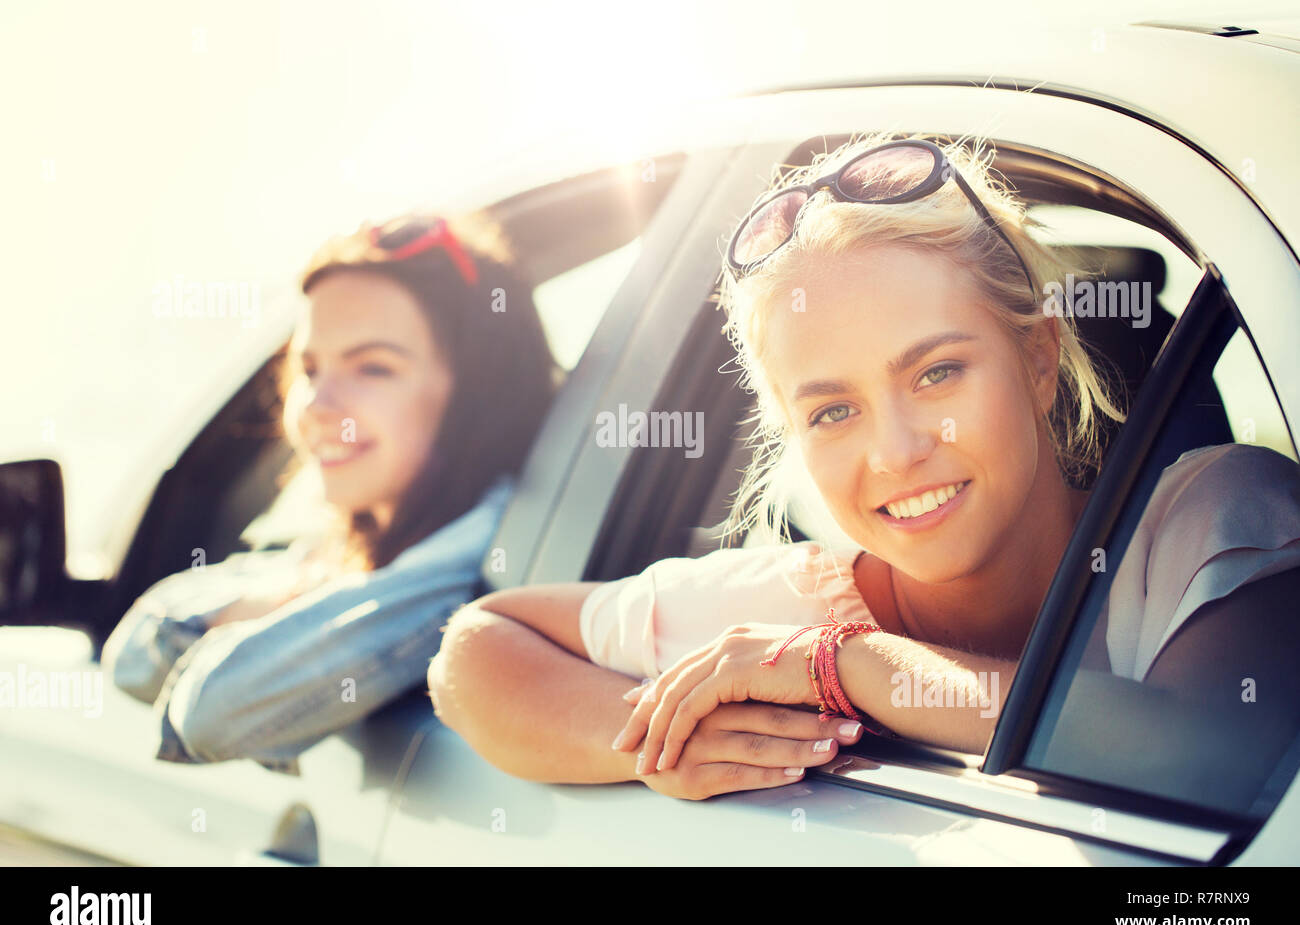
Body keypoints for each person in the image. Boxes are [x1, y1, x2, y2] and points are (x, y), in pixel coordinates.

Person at [428, 133, 1300, 801]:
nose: (894, 453)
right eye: (832, 411)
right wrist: (659, 741)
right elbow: (476, 648)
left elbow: (1214, 756)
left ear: (1039, 361)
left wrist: (847, 666)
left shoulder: (1216, 516)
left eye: (936, 373)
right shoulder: (775, 605)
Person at [102, 213, 558, 772]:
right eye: (311, 369)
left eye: (372, 368)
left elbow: (211, 711)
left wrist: (273, 608)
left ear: (477, 396)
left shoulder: (480, 558)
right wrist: (291, 596)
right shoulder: (339, 549)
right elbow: (132, 650)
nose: (317, 406)